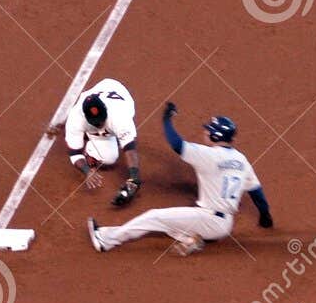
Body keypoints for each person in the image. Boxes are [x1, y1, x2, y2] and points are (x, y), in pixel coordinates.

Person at [88, 102, 272, 255]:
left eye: (209, 130)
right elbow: (257, 192)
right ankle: (191, 239)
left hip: (208, 219)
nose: (205, 132)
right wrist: (265, 216)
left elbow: (177, 145)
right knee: (168, 221)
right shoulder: (241, 160)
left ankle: (106, 240)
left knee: (154, 216)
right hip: (225, 224)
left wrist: (167, 120)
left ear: (216, 135)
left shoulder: (209, 155)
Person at [47, 77, 142, 205]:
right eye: (95, 122)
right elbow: (74, 153)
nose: (99, 123)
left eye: (101, 119)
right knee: (108, 158)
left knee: (119, 136)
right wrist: (87, 170)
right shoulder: (77, 116)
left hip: (116, 91)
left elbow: (130, 149)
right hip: (89, 99)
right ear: (85, 116)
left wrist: (134, 179)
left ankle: (96, 133)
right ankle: (85, 136)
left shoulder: (120, 116)